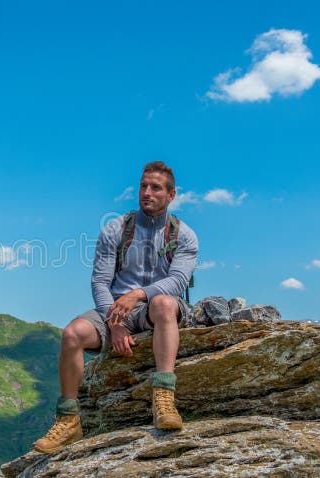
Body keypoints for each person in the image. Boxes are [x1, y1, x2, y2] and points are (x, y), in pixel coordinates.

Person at [33, 161, 199, 454]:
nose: (146, 192)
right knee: (72, 334)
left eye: (155, 188)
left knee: (162, 303)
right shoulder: (117, 229)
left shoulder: (183, 236)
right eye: (143, 186)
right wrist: (114, 323)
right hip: (113, 310)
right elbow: (100, 281)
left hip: (156, 310)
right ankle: (69, 420)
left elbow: (176, 282)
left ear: (171, 195)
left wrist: (137, 295)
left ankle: (164, 399)